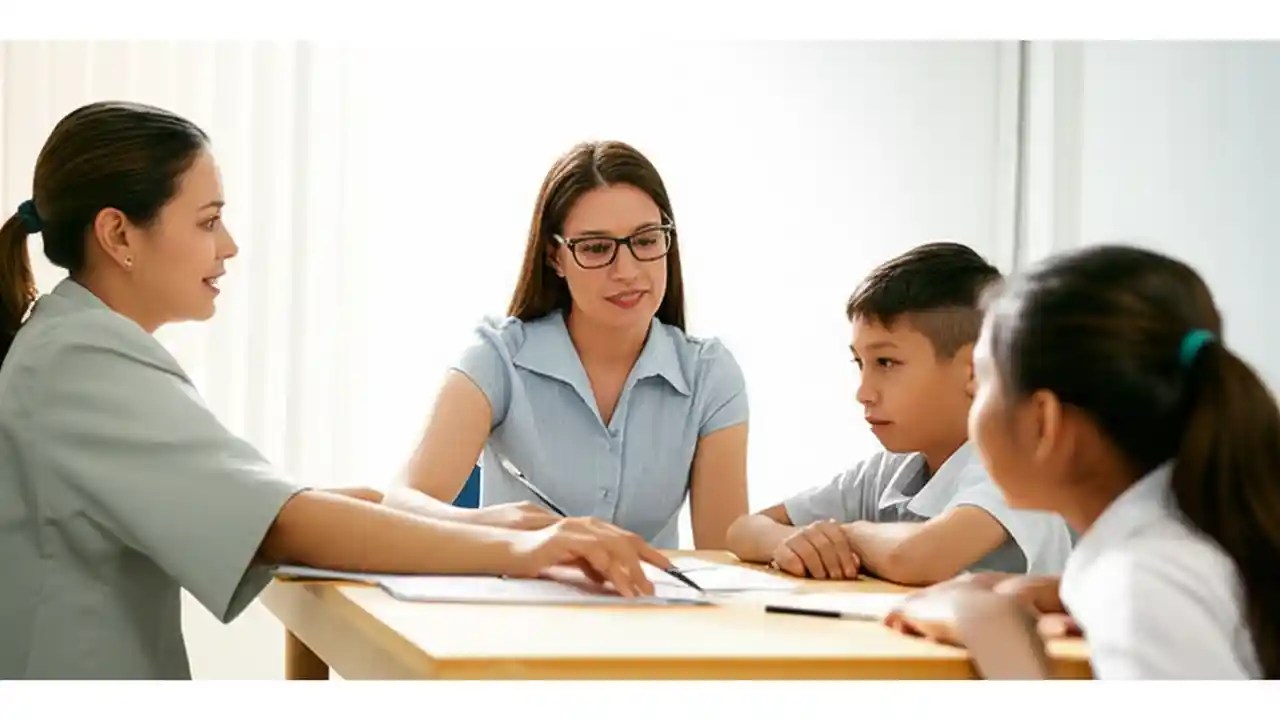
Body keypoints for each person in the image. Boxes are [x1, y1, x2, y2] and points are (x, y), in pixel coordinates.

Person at [0, 101, 670, 680]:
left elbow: (273, 501)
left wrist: (473, 520)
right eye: (208, 221)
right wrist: (518, 550)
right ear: (119, 234)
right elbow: (282, 522)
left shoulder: (76, 349)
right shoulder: (82, 363)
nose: (228, 246)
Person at [885, 244, 1278, 679]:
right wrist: (1072, 592)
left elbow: (1150, 597)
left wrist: (984, 621)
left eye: (982, 382)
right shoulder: (1178, 545)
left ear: (1043, 421)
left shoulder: (1143, 582)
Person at [384, 141, 749, 550]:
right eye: (596, 248)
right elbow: (401, 503)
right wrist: (502, 526)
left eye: (646, 241)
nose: (627, 271)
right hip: (517, 606)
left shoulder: (709, 373)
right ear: (555, 258)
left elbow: (724, 556)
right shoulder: (499, 357)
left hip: (651, 608)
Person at [725, 242, 1073, 584]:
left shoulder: (1017, 468)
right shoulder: (888, 473)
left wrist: (845, 536)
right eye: (859, 363)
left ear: (973, 370)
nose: (863, 392)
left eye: (886, 363)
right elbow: (743, 530)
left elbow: (916, 558)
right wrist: (796, 543)